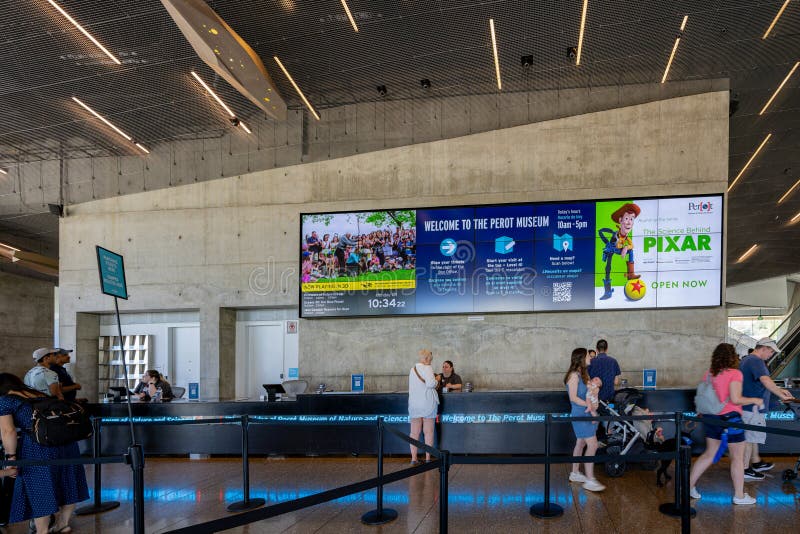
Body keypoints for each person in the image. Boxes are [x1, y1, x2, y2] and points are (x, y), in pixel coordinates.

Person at [0, 373, 89, 533]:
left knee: (40, 488)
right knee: (68, 481)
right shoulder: (39, 394)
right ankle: (63, 523)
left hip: (38, 446)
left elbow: (8, 431)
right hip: (67, 444)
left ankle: (42, 531)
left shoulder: (5, 401)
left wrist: (11, 457)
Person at [688, 343, 764, 505]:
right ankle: (739, 495)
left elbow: (704, 397)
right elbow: (736, 399)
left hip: (711, 417)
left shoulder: (709, 374)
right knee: (737, 458)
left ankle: (688, 486)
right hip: (731, 418)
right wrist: (754, 400)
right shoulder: (735, 373)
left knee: (709, 454)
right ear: (732, 357)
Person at [740, 338, 792, 481]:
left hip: (749, 408)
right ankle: (745, 470)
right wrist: (781, 393)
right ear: (763, 348)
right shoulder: (756, 361)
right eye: (770, 351)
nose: (771, 354)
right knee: (749, 440)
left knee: (750, 439)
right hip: (753, 408)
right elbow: (765, 380)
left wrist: (780, 390)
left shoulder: (747, 360)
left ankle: (750, 466)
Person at [565, 347, 605, 491]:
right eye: (588, 355)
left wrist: (595, 396)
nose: (591, 357)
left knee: (581, 443)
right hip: (580, 414)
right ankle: (590, 479)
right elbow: (573, 398)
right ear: (581, 358)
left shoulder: (584, 374)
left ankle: (575, 473)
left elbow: (590, 392)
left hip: (587, 414)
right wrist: (590, 405)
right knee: (593, 445)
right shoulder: (573, 376)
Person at [408, 350, 439, 465]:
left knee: (414, 433)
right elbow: (430, 384)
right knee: (428, 432)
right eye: (430, 359)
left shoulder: (412, 370)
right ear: (426, 359)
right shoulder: (428, 368)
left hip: (414, 404)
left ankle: (414, 458)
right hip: (427, 404)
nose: (430, 362)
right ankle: (427, 458)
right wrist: (437, 380)